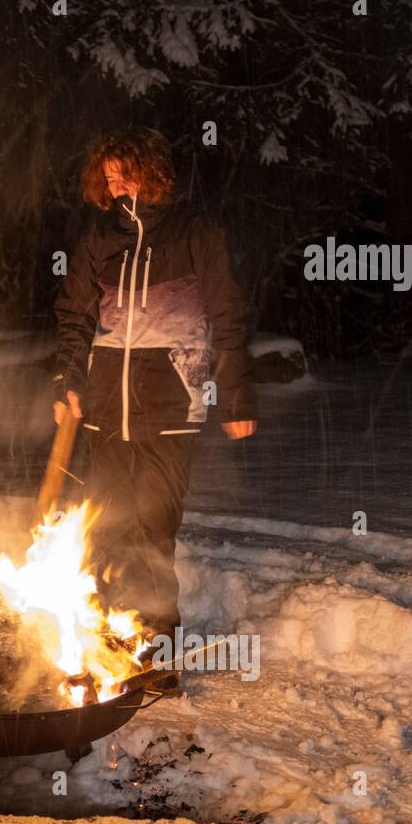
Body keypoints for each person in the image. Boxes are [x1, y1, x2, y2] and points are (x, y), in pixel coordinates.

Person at [52, 126, 258, 662]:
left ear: (154, 170)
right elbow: (74, 315)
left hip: (169, 412)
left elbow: (228, 316)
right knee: (106, 533)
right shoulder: (99, 237)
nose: (118, 185)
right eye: (110, 176)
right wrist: (68, 381)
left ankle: (157, 659)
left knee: (151, 535)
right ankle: (107, 652)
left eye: (127, 172)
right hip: (103, 413)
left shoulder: (197, 234)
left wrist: (236, 396)